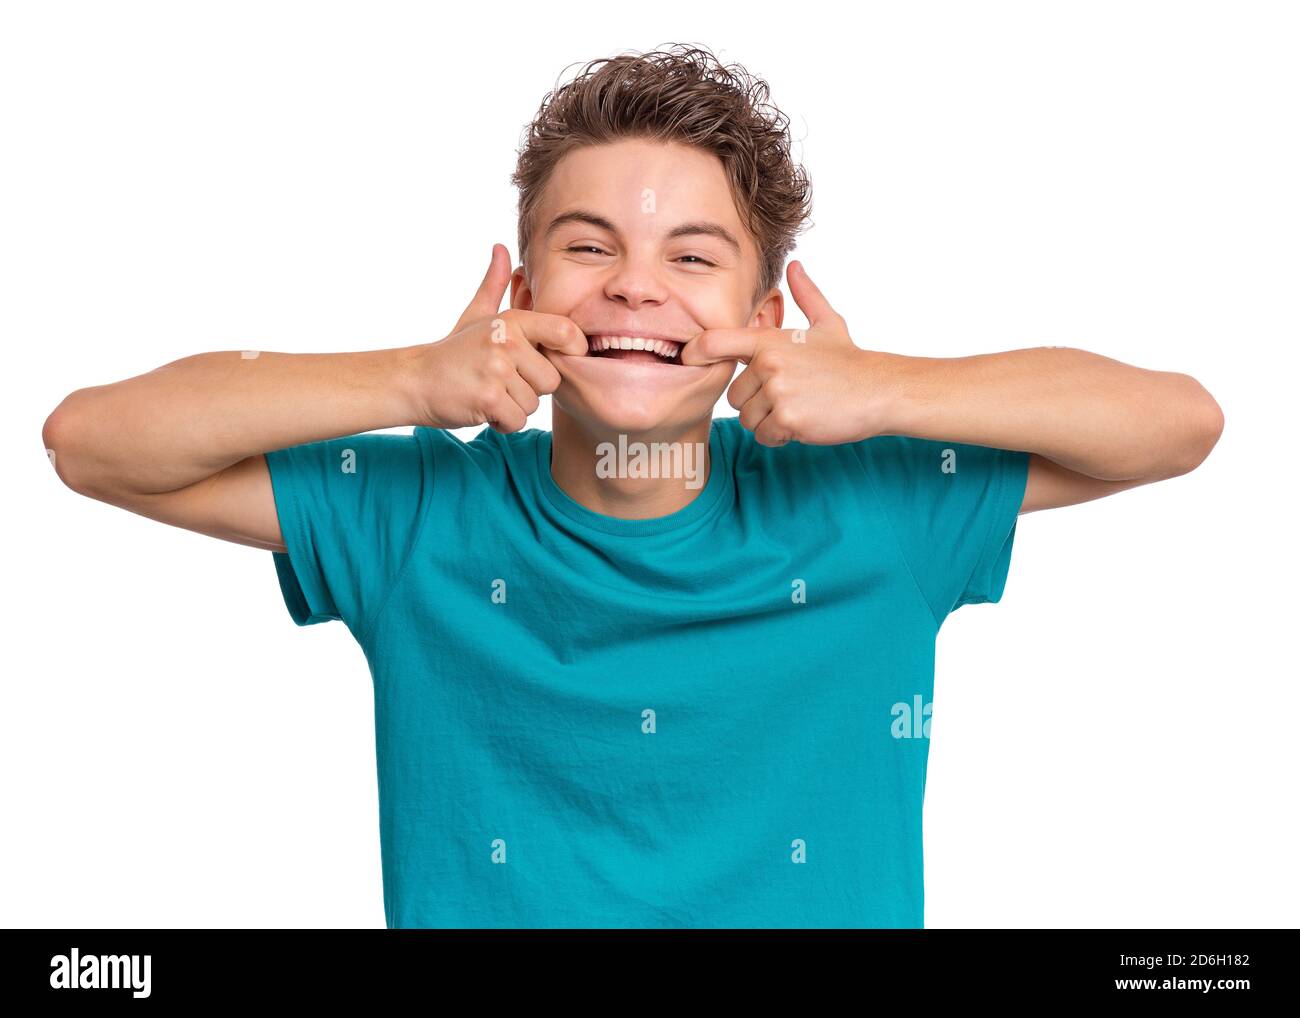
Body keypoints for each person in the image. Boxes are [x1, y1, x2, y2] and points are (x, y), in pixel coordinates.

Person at [42, 44, 1224, 928]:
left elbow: (1175, 424)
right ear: (523, 295)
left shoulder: (871, 502)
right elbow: (92, 440)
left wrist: (888, 392)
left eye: (692, 257)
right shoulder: (412, 514)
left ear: (764, 321)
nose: (634, 286)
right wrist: (409, 378)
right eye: (589, 243)